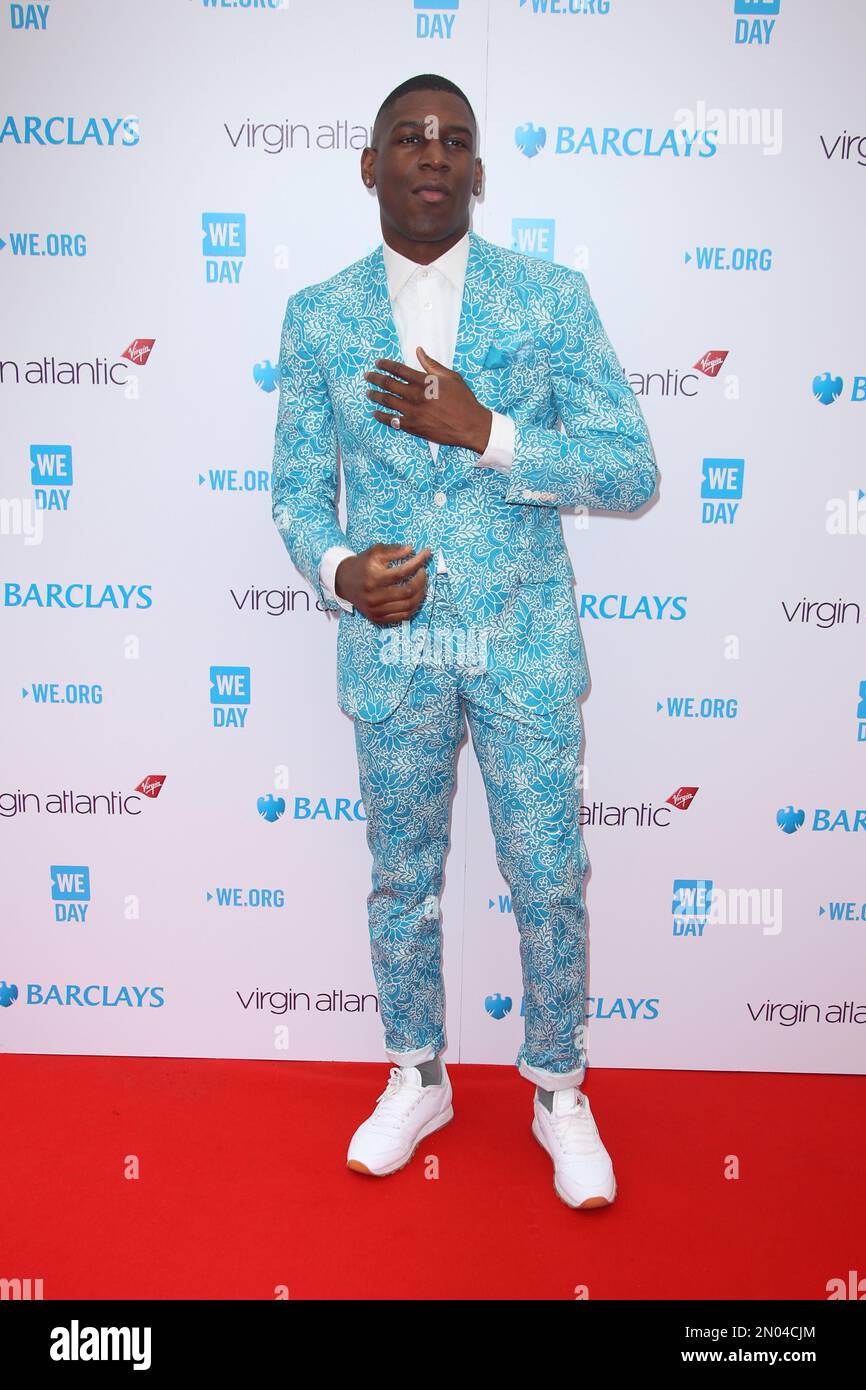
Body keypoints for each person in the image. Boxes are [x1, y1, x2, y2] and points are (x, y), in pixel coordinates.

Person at [271, 72, 658, 1210]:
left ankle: (555, 1088)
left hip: (523, 643)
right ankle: (417, 1072)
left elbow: (629, 468)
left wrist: (485, 431)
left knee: (547, 875)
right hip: (392, 655)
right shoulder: (316, 318)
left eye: (453, 141)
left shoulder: (549, 298)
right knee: (403, 879)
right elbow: (296, 495)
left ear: (475, 171)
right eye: (407, 137)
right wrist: (343, 573)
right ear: (369, 165)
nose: (431, 155)